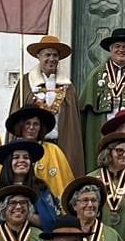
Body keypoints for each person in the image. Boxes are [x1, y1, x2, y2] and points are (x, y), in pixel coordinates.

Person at [12, 35, 84, 178]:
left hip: (61, 145)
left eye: (55, 55)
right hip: (32, 145)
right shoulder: (26, 83)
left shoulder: (68, 86)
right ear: (38, 56)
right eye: (47, 55)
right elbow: (17, 114)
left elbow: (73, 122)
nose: (52, 59)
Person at [79, 26, 125, 170]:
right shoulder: (96, 74)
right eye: (117, 46)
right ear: (110, 49)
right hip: (102, 131)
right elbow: (83, 111)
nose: (121, 50)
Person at [59, 177, 125, 241]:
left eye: (94, 200)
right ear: (74, 205)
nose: (90, 205)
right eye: (85, 200)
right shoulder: (64, 234)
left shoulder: (112, 234)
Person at [3, 104, 74, 200]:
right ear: (20, 126)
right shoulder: (11, 150)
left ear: (41, 127)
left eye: (36, 124)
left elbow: (66, 182)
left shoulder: (54, 150)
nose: (31, 127)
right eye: (27, 123)